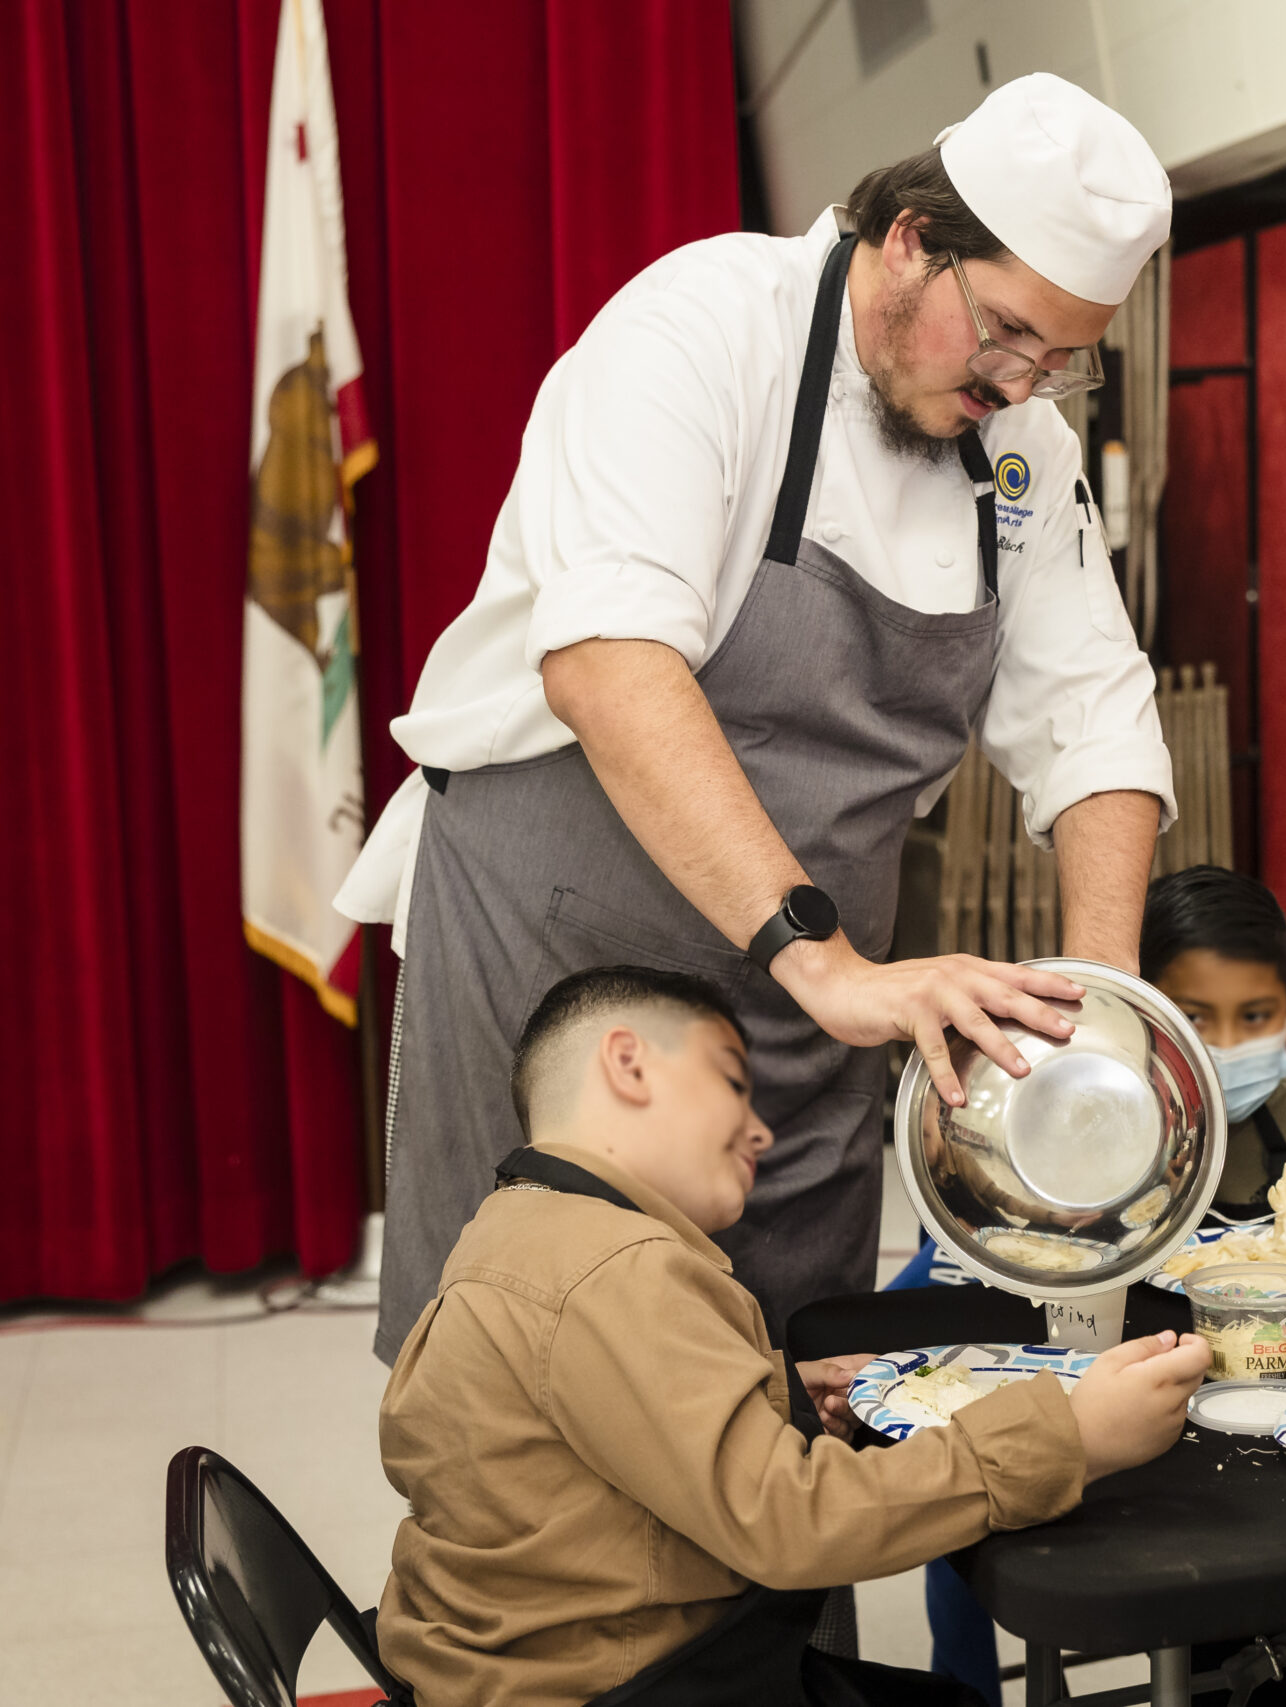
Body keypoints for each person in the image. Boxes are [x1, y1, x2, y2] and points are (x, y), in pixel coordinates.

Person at [338, 73, 1180, 1361]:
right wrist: (823, 962)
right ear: (911, 239)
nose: (1021, 384)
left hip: (804, 1009)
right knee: (536, 1366)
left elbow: (1095, 719)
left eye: (1060, 363)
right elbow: (608, 665)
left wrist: (1101, 1017)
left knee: (791, 1375)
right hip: (565, 960)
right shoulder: (699, 331)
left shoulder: (1018, 442)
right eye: (1005, 333)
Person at [377, 964, 1212, 1707]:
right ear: (629, 1064)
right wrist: (1071, 1436)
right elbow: (789, 1525)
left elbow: (588, 1451)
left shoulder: (517, 1227)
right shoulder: (616, 1264)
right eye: (735, 1083)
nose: (761, 1129)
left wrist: (771, 1400)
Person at [1143, 865, 1286, 1225]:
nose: (1226, 1046)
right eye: (1194, 1018)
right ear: (1142, 1010)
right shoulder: (1109, 1122)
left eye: (1254, 1017)